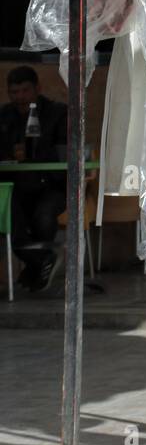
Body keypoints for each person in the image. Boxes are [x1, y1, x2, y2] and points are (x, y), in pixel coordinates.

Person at [0, 67, 68, 291]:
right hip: (16, 186)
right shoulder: (5, 116)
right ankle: (42, 260)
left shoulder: (57, 113)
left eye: (24, 90)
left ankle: (36, 267)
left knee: (43, 216)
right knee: (8, 215)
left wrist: (34, 155)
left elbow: (65, 154)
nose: (19, 97)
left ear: (37, 88)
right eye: (14, 92)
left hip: (52, 184)